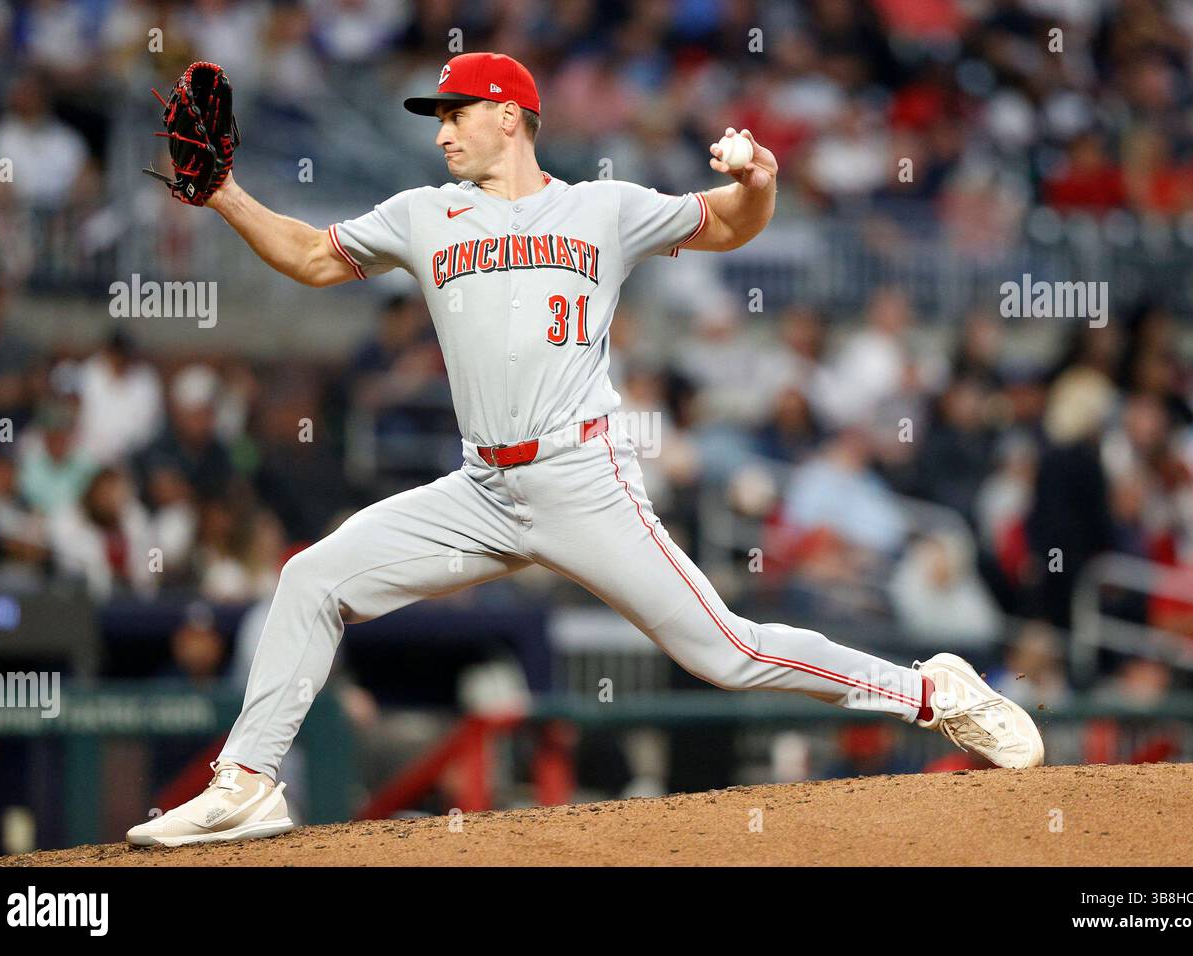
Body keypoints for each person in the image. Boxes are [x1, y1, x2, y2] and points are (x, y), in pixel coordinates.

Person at [126, 52, 1044, 848]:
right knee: (310, 580)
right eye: (437, 115)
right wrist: (228, 197)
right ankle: (244, 785)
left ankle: (936, 695)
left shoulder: (604, 207)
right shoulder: (423, 214)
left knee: (728, 652)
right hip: (481, 488)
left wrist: (759, 178)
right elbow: (314, 257)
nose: (442, 131)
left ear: (512, 117)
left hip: (580, 476)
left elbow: (728, 224)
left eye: (456, 112)